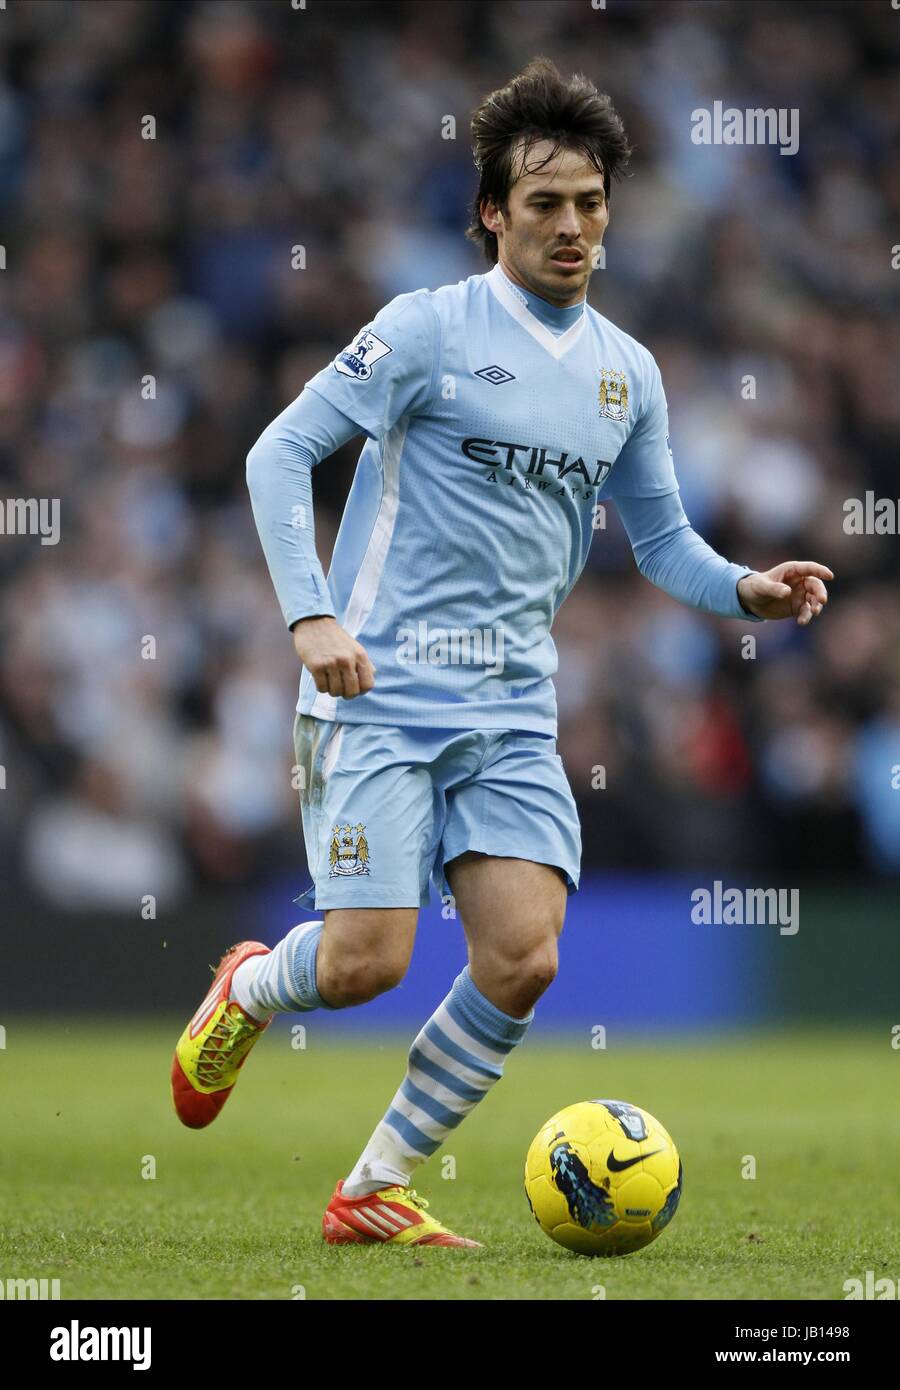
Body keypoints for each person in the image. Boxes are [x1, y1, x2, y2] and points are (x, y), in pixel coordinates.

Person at [170, 58, 832, 1248]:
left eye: (589, 202)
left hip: (516, 705)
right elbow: (279, 453)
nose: (571, 225)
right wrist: (308, 614)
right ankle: (251, 985)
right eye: (543, 203)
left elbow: (665, 538)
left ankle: (370, 1185)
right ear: (492, 211)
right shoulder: (424, 329)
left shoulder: (629, 373)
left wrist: (744, 587)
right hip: (375, 684)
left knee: (523, 959)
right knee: (368, 963)